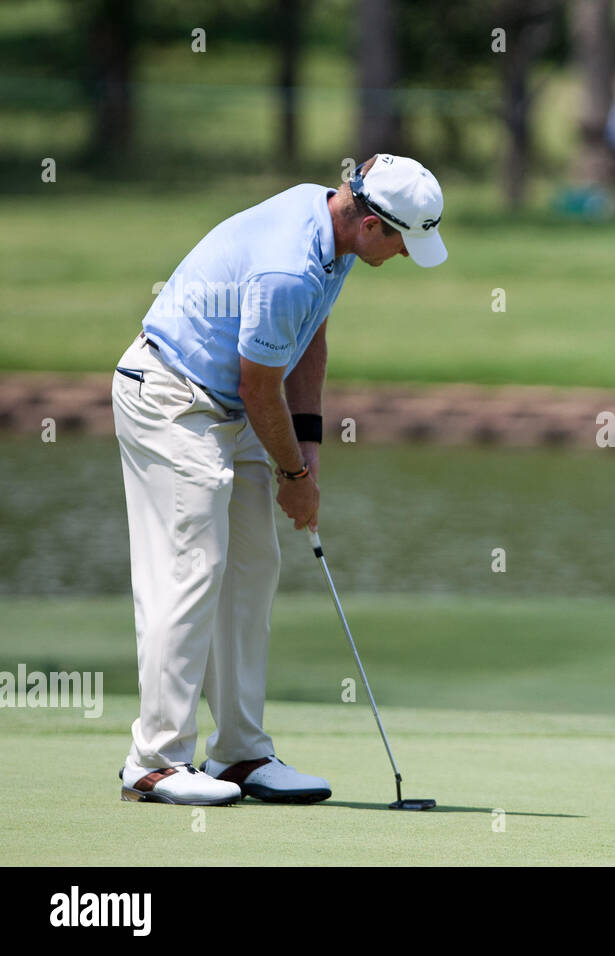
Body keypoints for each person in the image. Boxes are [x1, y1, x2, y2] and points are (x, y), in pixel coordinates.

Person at [111, 153, 448, 806]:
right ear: (372, 223)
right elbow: (258, 384)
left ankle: (239, 754)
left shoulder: (333, 230)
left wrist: (311, 447)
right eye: (405, 241)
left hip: (228, 401)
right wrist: (292, 474)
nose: (408, 255)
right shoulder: (288, 267)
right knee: (190, 568)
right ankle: (153, 760)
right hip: (171, 397)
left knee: (252, 566)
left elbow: (309, 341)